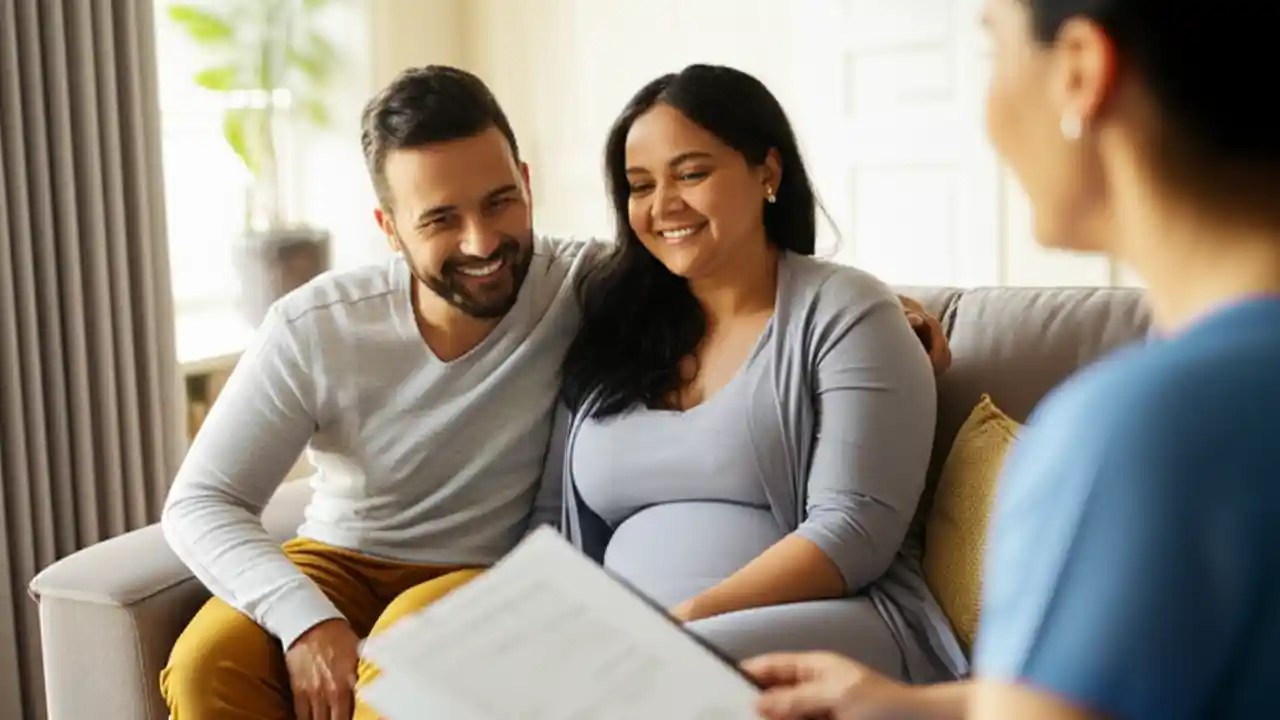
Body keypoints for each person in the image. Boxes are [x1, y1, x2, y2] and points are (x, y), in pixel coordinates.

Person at [159, 65, 949, 719]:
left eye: (500, 201)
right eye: (440, 218)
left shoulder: (580, 283)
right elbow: (199, 502)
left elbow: (739, 267)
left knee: (410, 665)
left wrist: (897, 315)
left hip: (495, 579)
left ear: (527, 184)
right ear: (388, 227)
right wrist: (307, 622)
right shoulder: (320, 325)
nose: (481, 243)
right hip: (341, 560)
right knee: (203, 668)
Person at [745, 0, 1280, 718]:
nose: (990, 109)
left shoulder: (1132, 433)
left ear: (1081, 72)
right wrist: (927, 707)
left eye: (995, 50)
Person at [549, 64, 966, 685]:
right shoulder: (611, 322)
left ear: (767, 172)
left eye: (691, 173)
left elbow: (852, 532)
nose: (664, 206)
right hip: (634, 642)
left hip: (823, 621)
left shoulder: (849, 314)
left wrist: (681, 620)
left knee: (655, 673)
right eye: (640, 186)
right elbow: (551, 525)